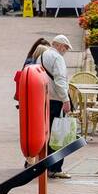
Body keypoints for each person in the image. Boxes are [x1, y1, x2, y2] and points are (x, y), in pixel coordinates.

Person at [38, 34, 73, 178]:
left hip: (43, 99)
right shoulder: (57, 58)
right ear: (58, 45)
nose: (65, 50)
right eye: (65, 47)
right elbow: (60, 81)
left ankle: (42, 164)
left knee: (45, 133)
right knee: (58, 134)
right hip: (56, 100)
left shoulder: (42, 55)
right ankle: (55, 168)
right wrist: (66, 100)